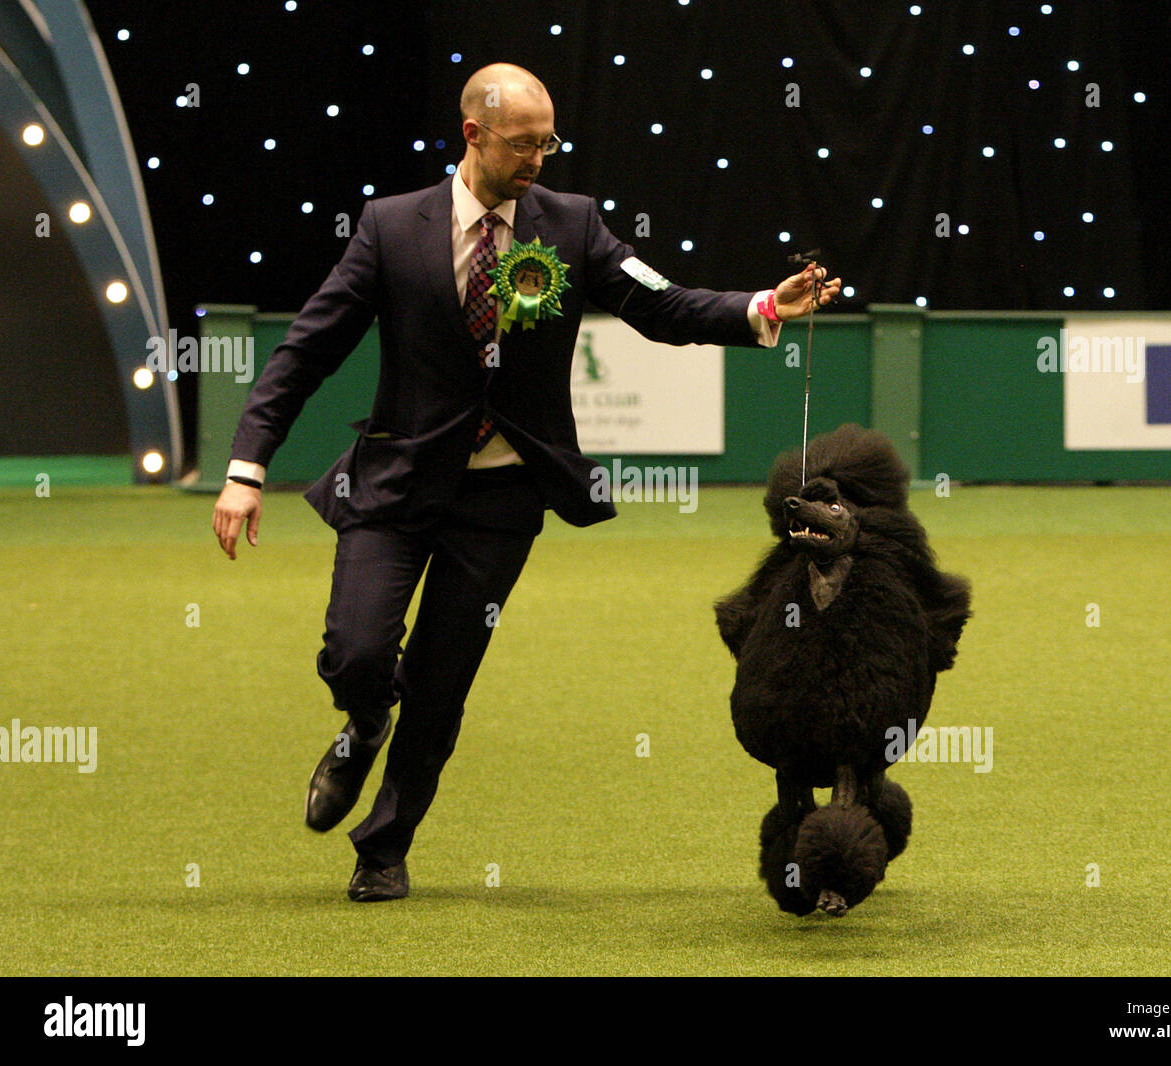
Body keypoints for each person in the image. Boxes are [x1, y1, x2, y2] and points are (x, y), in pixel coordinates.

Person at [211, 63, 841, 901]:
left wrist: (763, 305)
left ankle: (385, 846)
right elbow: (307, 350)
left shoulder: (573, 224)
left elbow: (661, 304)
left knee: (441, 684)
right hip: (395, 485)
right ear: (472, 135)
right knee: (357, 653)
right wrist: (245, 468)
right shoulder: (391, 226)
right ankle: (364, 722)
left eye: (549, 141)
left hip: (501, 501)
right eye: (523, 143)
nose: (540, 157)